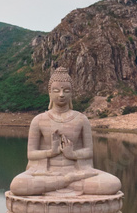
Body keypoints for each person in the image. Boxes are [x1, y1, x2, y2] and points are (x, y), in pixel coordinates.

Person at [9, 68, 122, 197]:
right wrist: (51, 152)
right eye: (56, 90)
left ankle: (58, 184)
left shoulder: (81, 119)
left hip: (77, 172)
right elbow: (31, 154)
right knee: (18, 184)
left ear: (71, 94)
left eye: (66, 91)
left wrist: (72, 154)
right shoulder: (39, 120)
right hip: (46, 173)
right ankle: (66, 181)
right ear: (50, 93)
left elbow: (89, 151)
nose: (61, 94)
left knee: (112, 183)